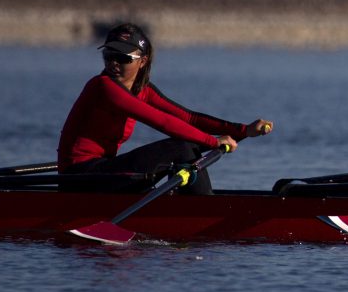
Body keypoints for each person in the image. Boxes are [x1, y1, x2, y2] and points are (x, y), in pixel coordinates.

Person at [58, 23, 273, 194]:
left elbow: (189, 119)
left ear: (142, 61)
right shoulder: (103, 87)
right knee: (182, 148)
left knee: (188, 146)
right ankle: (204, 213)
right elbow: (162, 122)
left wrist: (243, 130)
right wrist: (213, 142)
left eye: (122, 57)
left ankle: (193, 209)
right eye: (108, 55)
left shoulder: (143, 90)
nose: (113, 62)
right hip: (80, 176)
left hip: (103, 171)